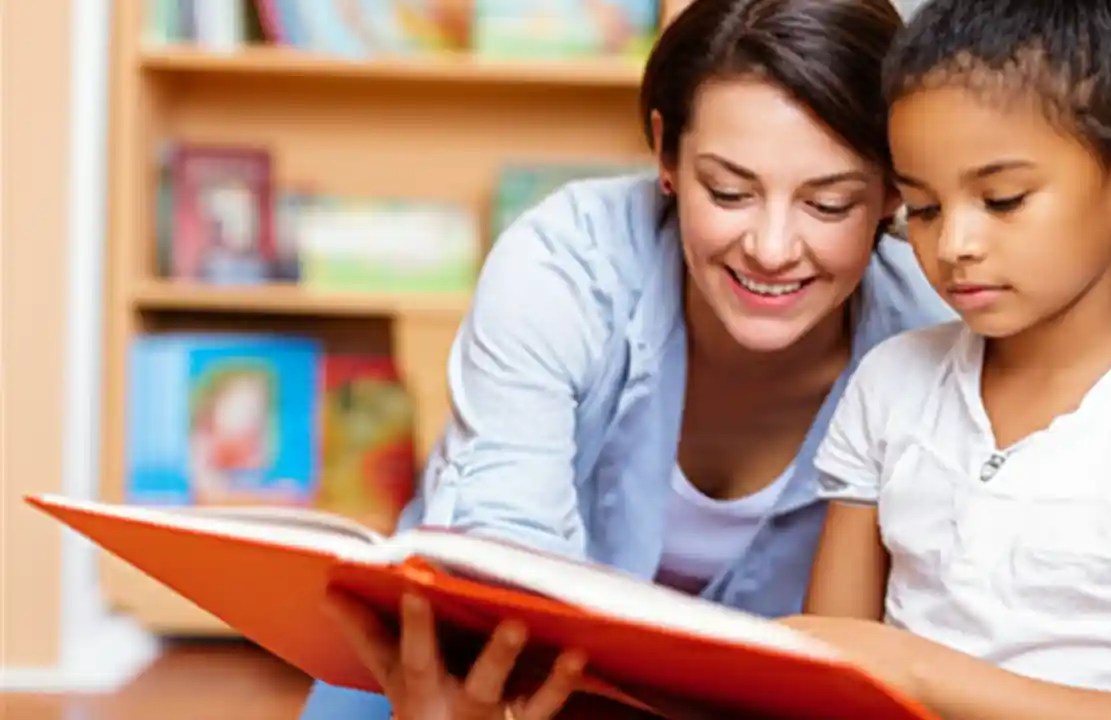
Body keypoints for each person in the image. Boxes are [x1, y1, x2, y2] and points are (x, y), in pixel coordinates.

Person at [298, 0, 953, 718]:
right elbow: (499, 569)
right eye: (729, 192)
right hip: (463, 675)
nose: (770, 247)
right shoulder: (563, 265)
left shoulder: (932, 337)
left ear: (895, 186)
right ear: (665, 153)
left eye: (828, 205)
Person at [785, 0, 1111, 718]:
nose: (954, 243)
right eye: (922, 209)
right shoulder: (891, 385)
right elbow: (831, 677)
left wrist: (916, 670)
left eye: (1002, 199)